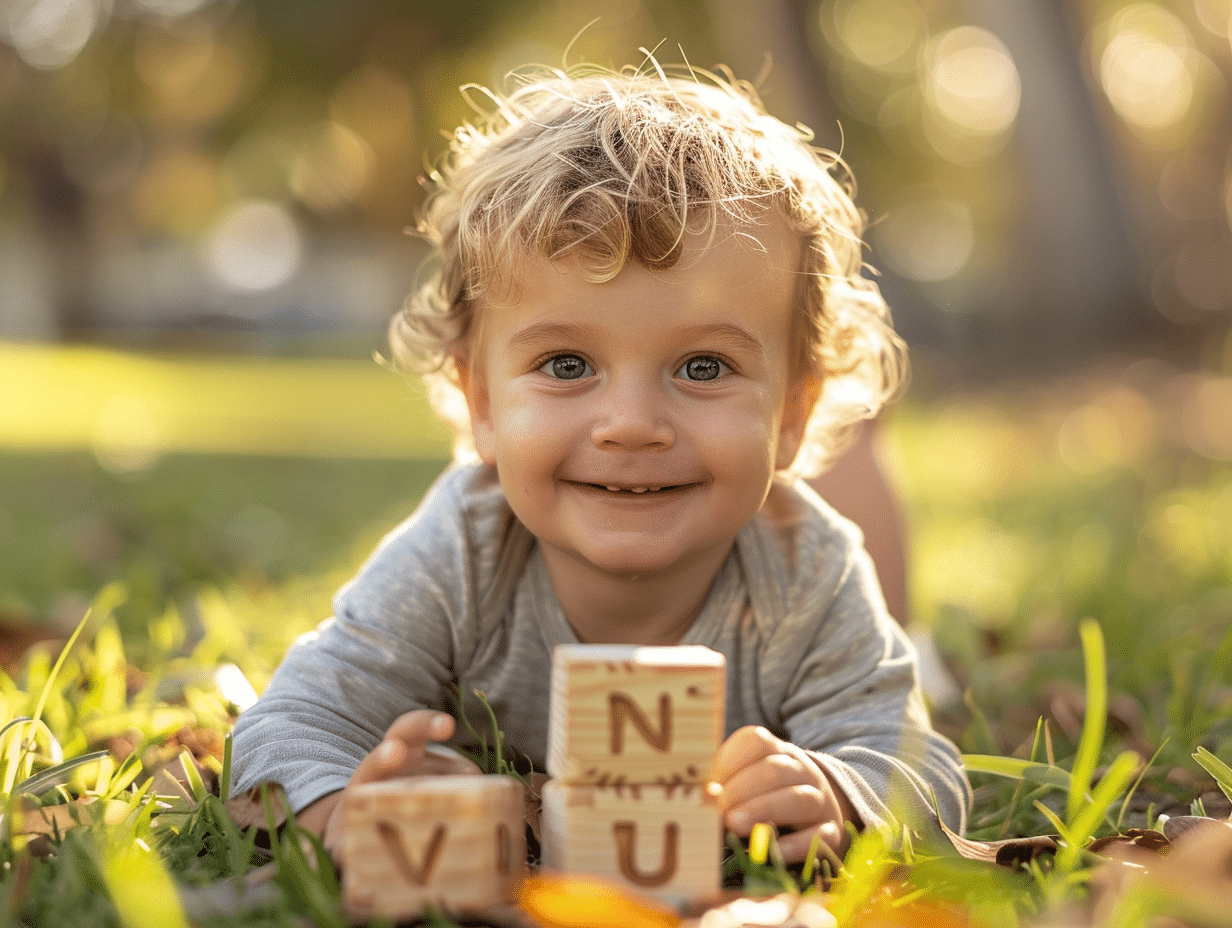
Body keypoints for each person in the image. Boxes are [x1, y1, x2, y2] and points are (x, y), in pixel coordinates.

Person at [228, 62, 970, 867]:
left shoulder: (806, 572)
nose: (632, 426)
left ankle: (917, 639)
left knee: (904, 669)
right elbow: (291, 721)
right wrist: (342, 811)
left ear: (790, 414)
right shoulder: (463, 551)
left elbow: (919, 762)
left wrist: (837, 794)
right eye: (568, 364)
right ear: (480, 402)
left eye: (703, 367)